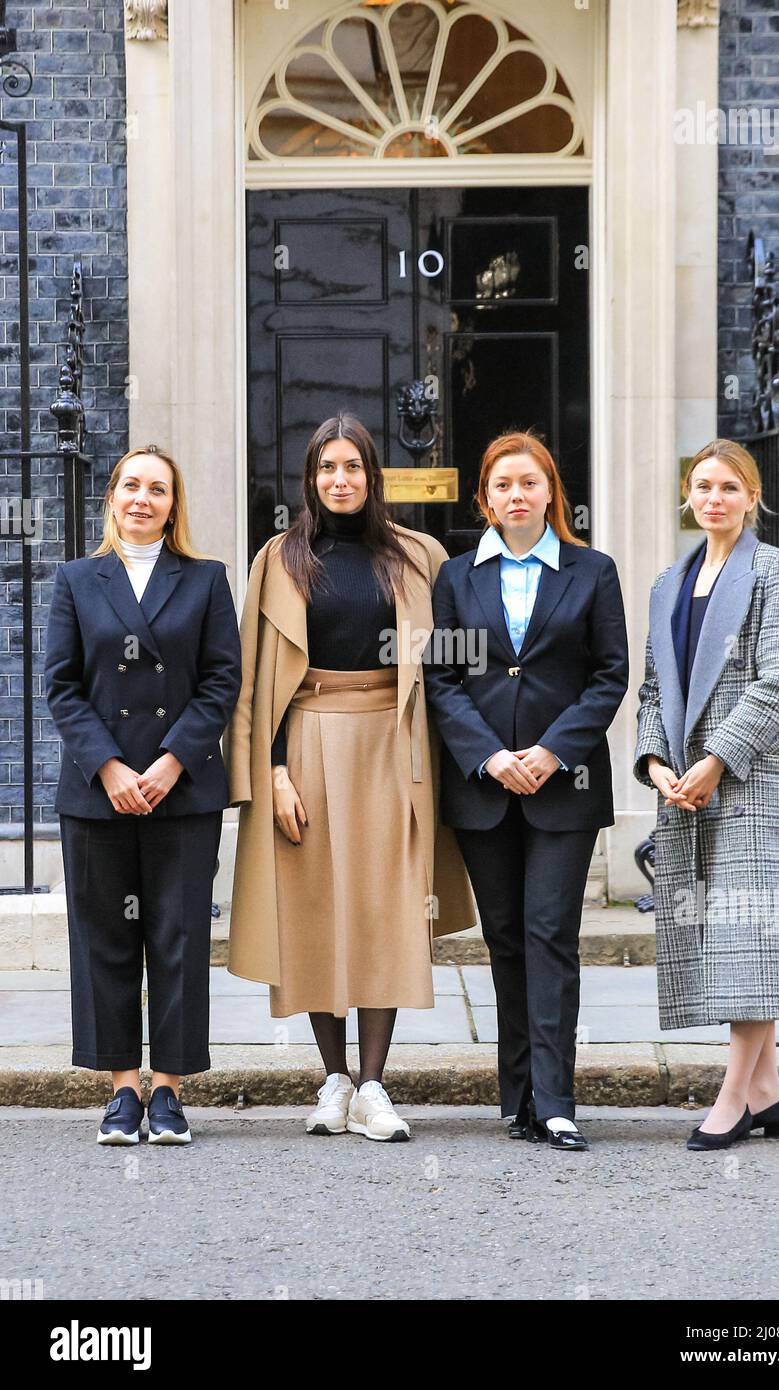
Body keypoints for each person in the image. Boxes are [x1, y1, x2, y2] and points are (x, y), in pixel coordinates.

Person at [225, 414, 475, 1143]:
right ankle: (332, 1077)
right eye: (327, 468)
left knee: (386, 909)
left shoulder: (418, 555)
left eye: (353, 467)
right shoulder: (278, 558)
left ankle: (373, 1083)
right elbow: (253, 678)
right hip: (304, 741)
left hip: (394, 746)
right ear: (311, 479)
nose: (340, 480)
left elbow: (454, 663)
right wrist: (269, 771)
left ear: (372, 476)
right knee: (312, 909)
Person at [424, 430, 628, 1151]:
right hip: (485, 788)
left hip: (561, 787)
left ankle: (557, 1098)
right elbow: (441, 679)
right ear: (484, 498)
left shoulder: (591, 571)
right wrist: (487, 756)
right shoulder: (454, 578)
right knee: (505, 939)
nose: (517, 495)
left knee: (549, 935)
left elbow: (609, 675)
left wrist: (549, 751)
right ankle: (517, 1097)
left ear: (550, 492)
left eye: (529, 482)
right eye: (503, 484)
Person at [44, 445, 242, 1145]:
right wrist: (108, 767)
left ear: (172, 504)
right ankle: (122, 1088)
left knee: (179, 937)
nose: (142, 498)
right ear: (112, 497)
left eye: (157, 489)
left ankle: (170, 1093)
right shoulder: (75, 579)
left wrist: (168, 763)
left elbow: (222, 681)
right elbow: (61, 687)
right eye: (131, 485)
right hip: (98, 794)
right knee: (105, 940)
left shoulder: (206, 579)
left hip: (180, 792)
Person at [634, 438, 779, 1150]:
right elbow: (653, 690)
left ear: (750, 497)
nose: (713, 498)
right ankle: (769, 1093)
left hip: (749, 779)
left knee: (748, 938)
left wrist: (715, 760)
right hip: (683, 786)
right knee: (723, 939)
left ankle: (734, 1099)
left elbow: (778, 681)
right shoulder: (665, 583)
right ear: (688, 495)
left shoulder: (777, 571)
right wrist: (656, 764)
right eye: (702, 486)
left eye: (728, 488)